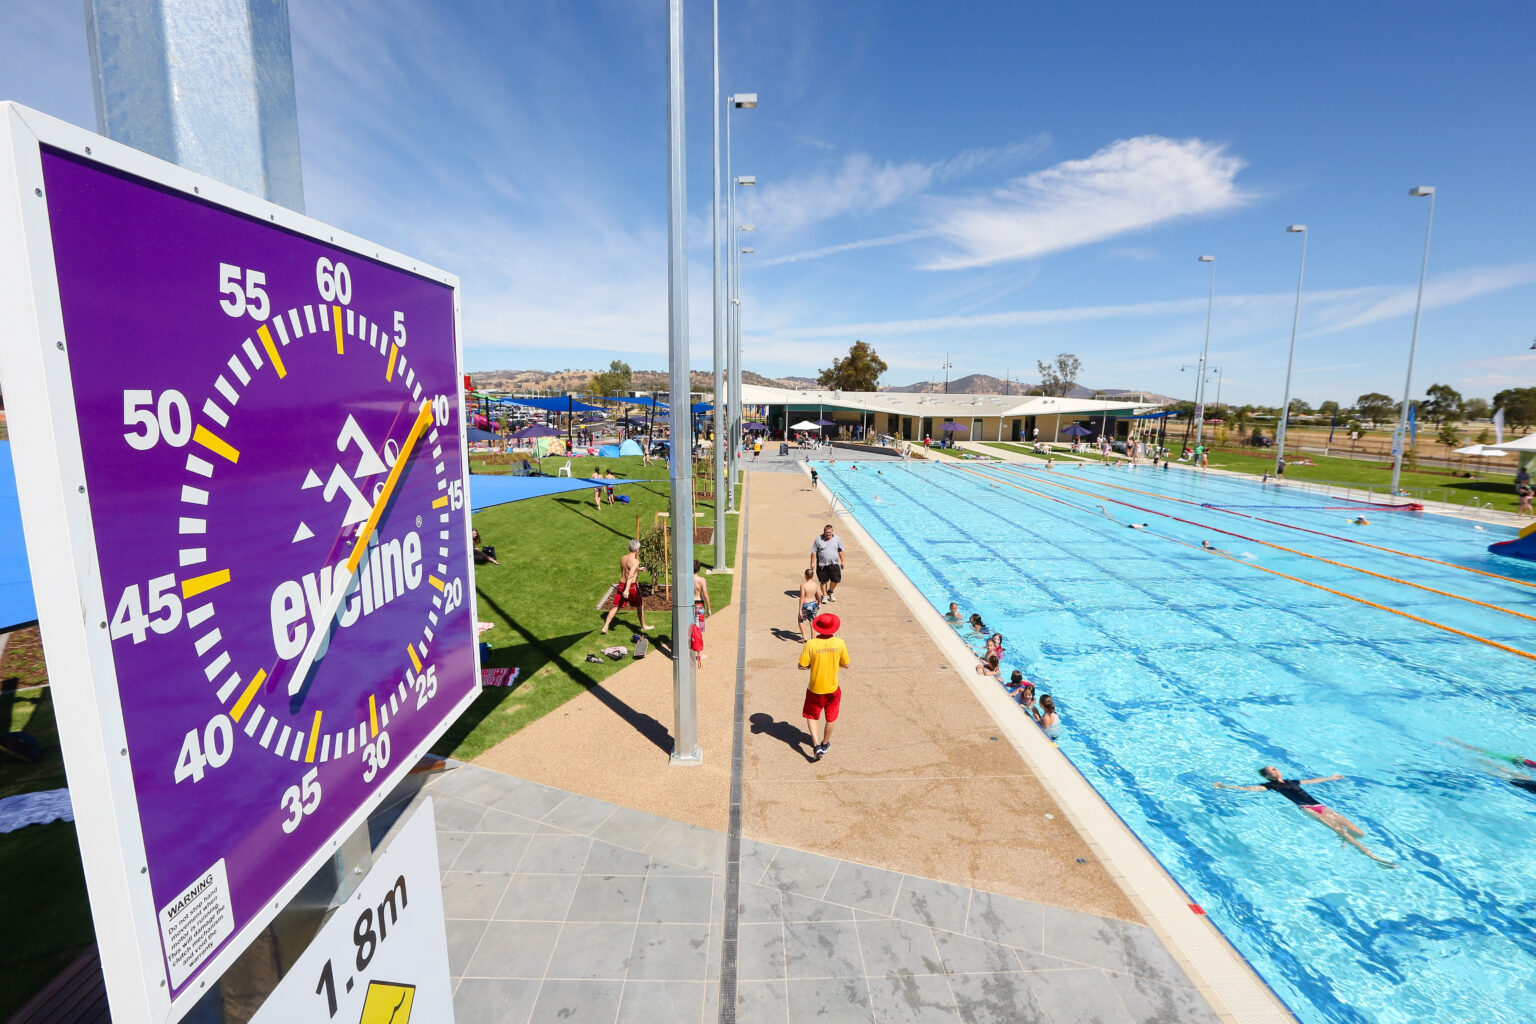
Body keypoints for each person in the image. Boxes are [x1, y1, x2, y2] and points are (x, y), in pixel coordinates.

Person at [1213, 767, 1396, 867]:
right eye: (1271, 770)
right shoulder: (1271, 786)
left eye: (1275, 768)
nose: (1275, 770)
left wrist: (1330, 778)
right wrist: (1227, 786)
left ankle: (1345, 839)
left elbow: (1311, 781)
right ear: (1268, 776)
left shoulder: (1292, 781)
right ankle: (1373, 857)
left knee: (1359, 832)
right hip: (1308, 808)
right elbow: (1251, 789)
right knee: (1341, 831)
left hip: (1321, 806)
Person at [798, 612, 849, 761]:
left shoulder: (811, 644)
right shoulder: (839, 643)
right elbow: (846, 664)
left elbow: (801, 666)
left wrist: (809, 666)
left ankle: (816, 745)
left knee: (811, 716)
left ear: (818, 628)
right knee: (831, 717)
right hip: (833, 688)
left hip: (815, 689)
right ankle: (825, 744)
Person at [602, 539, 648, 634]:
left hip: (621, 584)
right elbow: (630, 575)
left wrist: (638, 569)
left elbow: (627, 568)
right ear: (637, 550)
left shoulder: (623, 558)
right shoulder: (635, 561)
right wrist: (627, 590)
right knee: (640, 605)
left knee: (616, 606)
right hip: (630, 586)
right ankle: (644, 626)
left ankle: (605, 626)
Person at [811, 524, 845, 602]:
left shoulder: (837, 539)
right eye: (827, 532)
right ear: (824, 532)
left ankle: (830, 591)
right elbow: (813, 551)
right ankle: (825, 595)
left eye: (830, 532)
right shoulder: (818, 539)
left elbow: (841, 550)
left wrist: (842, 561)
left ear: (832, 532)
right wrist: (812, 563)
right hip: (822, 565)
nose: (828, 534)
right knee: (823, 581)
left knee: (836, 580)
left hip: (834, 564)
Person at [795, 568, 824, 642]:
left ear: (805, 576)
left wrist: (800, 609)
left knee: (800, 620)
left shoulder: (803, 585)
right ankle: (813, 638)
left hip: (806, 604)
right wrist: (818, 604)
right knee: (812, 621)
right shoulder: (816, 585)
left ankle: (804, 636)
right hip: (814, 604)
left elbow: (801, 597)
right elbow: (819, 596)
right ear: (812, 576)